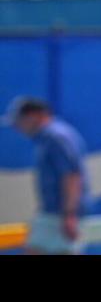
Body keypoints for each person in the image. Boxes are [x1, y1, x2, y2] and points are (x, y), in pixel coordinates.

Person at [2, 96, 92, 254]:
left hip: (59, 214)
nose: (17, 127)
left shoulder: (56, 137)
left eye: (20, 121)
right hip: (53, 212)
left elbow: (72, 176)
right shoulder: (48, 137)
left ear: (35, 115)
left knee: (39, 249)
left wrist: (69, 214)